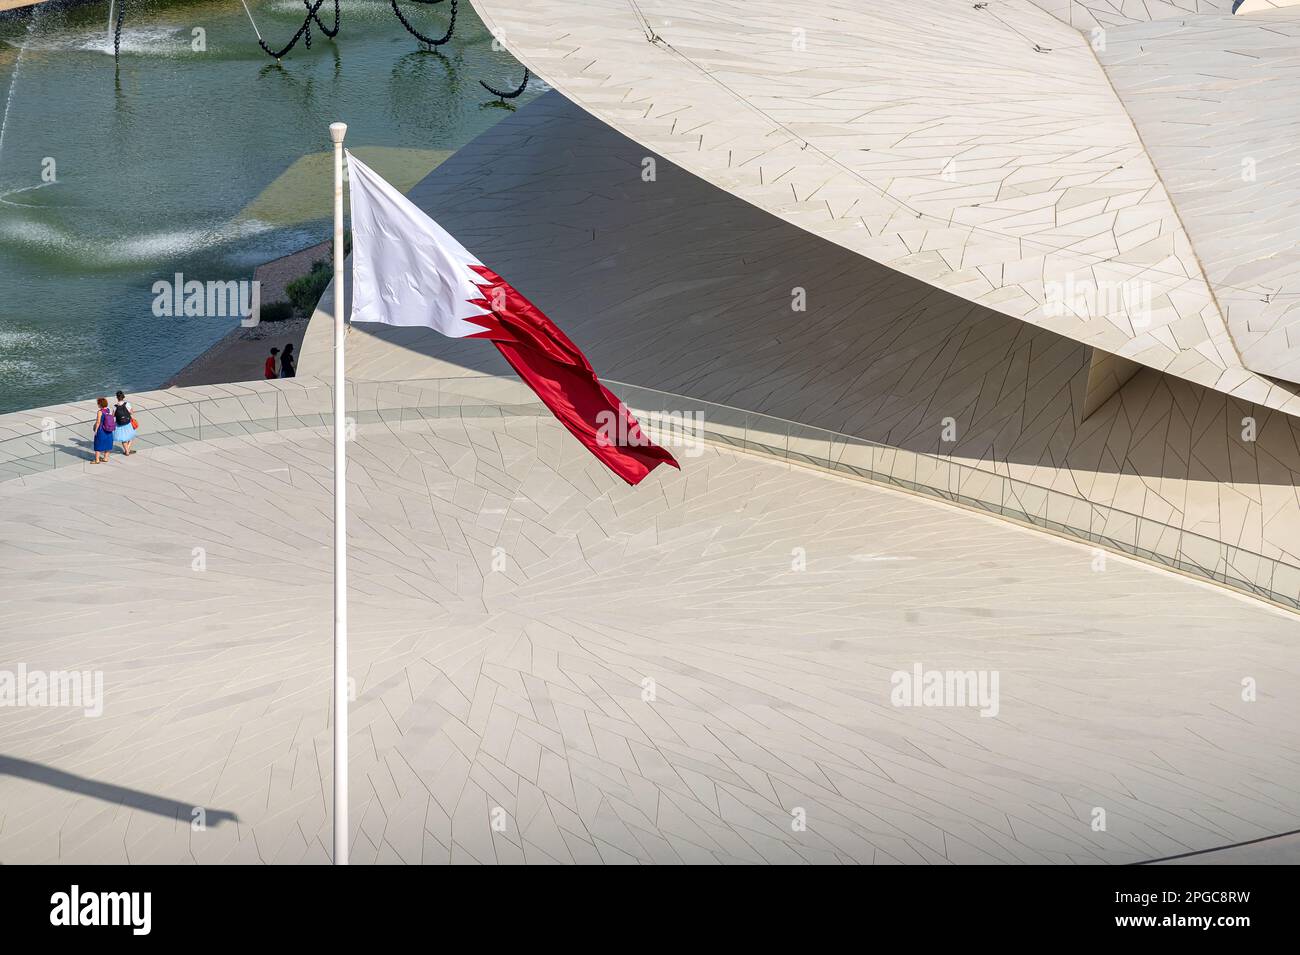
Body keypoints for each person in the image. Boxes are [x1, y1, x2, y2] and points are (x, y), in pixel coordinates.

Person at [113, 390, 136, 455]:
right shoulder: (127, 404)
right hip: (128, 423)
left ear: (117, 397)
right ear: (123, 397)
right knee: (131, 436)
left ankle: (127, 451)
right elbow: (131, 412)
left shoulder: (115, 406)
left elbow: (113, 415)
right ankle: (127, 450)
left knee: (123, 439)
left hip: (119, 424)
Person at [92, 397, 114, 464]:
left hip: (101, 430)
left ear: (100, 404)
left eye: (98, 403)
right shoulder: (108, 410)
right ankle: (105, 458)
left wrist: (95, 430)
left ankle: (97, 460)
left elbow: (98, 422)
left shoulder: (100, 412)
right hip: (109, 429)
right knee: (108, 443)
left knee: (98, 444)